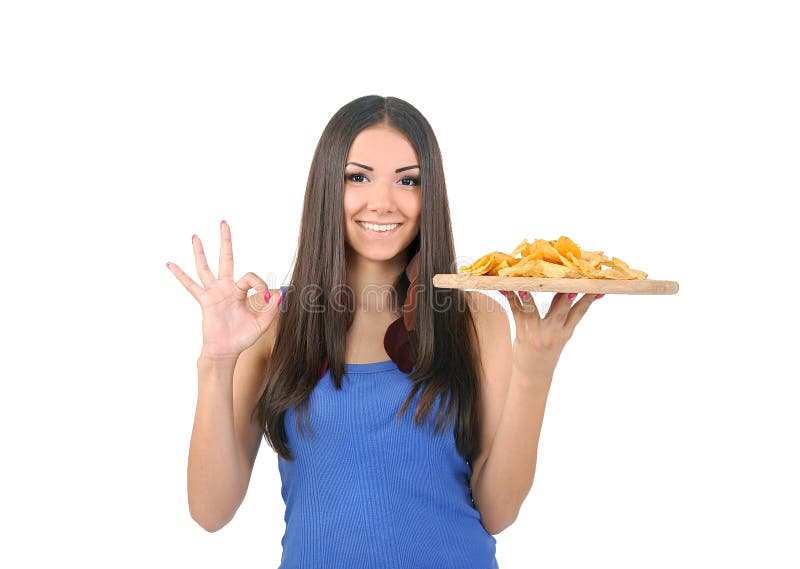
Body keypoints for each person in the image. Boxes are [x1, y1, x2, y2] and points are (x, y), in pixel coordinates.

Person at [166, 95, 602, 568]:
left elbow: (497, 512)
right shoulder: (271, 320)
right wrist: (216, 361)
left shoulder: (476, 318)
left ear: (428, 194)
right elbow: (210, 512)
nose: (382, 201)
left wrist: (534, 373)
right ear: (327, 188)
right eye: (358, 176)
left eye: (408, 181)